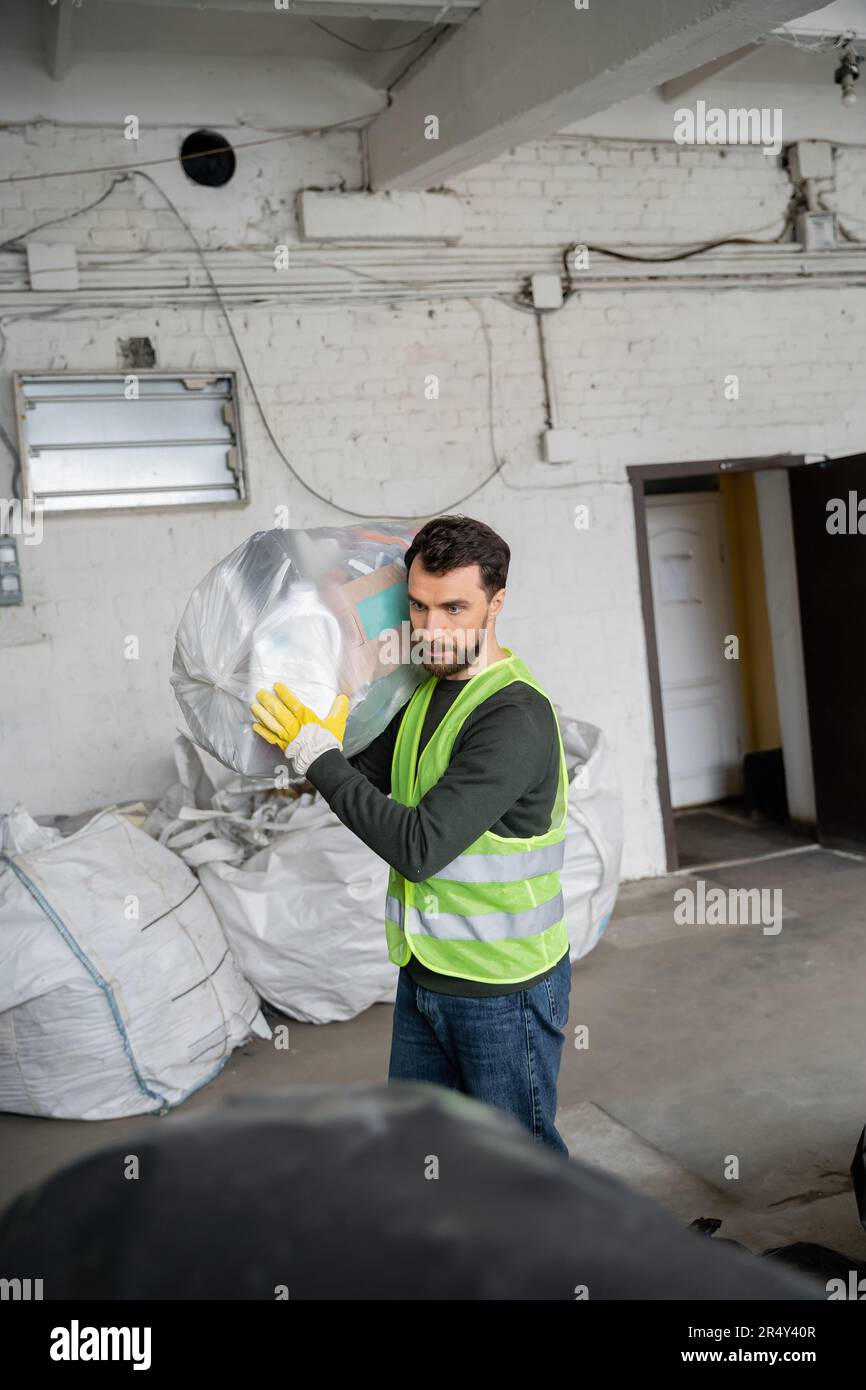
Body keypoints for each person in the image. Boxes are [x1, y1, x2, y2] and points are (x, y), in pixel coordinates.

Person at [250, 514, 573, 1155]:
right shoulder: (422, 697)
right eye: (420, 608)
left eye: (455, 608)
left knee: (521, 1169)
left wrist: (320, 757)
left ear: (496, 603)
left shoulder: (514, 717)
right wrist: (322, 729)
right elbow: (361, 780)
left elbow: (418, 848)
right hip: (425, 976)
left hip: (501, 990)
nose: (433, 629)